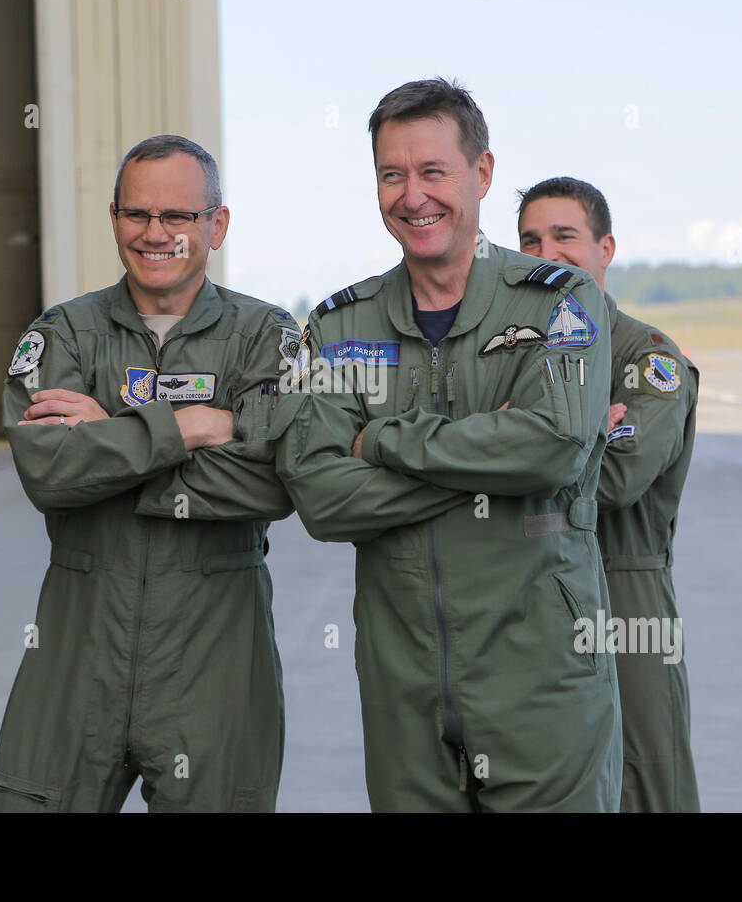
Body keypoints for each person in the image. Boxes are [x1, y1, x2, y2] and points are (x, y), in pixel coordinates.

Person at [274, 79, 621, 811]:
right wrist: (488, 457)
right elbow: (323, 498)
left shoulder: (557, 303)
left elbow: (553, 447)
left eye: (433, 172)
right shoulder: (341, 326)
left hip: (543, 685)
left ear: (482, 174)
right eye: (391, 174)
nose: (412, 195)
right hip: (406, 697)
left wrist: (384, 442)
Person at [0, 134, 296, 813]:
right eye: (136, 215)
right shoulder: (64, 334)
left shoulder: (266, 338)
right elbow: (48, 472)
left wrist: (111, 436)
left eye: (178, 216)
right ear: (115, 218)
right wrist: (187, 427)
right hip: (77, 648)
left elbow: (274, 479)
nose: (155, 234)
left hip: (216, 655)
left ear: (217, 224)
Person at [517, 177, 700, 813]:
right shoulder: (514, 357)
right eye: (530, 240)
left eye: (565, 236)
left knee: (643, 781)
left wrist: (507, 434)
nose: (548, 252)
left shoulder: (646, 358)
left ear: (605, 248)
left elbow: (617, 480)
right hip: (529, 597)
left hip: (625, 598)